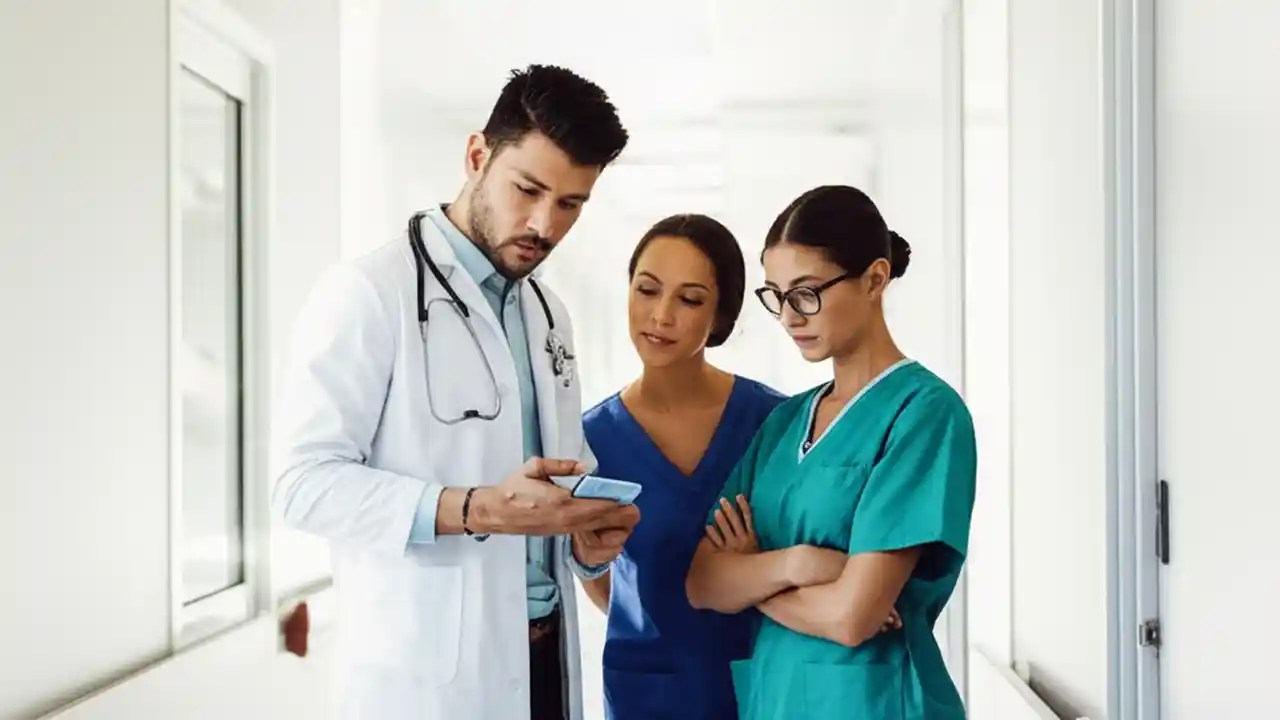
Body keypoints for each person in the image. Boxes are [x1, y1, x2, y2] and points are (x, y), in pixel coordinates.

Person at [271, 65, 640, 720]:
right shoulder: (370, 293)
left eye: (570, 204)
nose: (544, 224)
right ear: (477, 156)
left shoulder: (548, 313)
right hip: (426, 682)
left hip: (545, 663)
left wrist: (585, 540)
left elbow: (560, 476)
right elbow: (300, 485)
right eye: (527, 189)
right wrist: (476, 509)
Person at [685, 185, 977, 719]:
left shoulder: (924, 413)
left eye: (807, 292)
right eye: (776, 296)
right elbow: (703, 582)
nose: (790, 317)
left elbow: (851, 618)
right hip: (777, 698)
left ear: (875, 279)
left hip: (874, 702)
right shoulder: (783, 422)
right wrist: (802, 563)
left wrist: (754, 577)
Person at [578, 215, 786, 720]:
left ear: (721, 315)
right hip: (645, 694)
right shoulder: (591, 438)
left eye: (690, 299)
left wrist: (753, 569)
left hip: (761, 686)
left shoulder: (775, 423)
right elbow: (597, 576)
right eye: (647, 290)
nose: (661, 315)